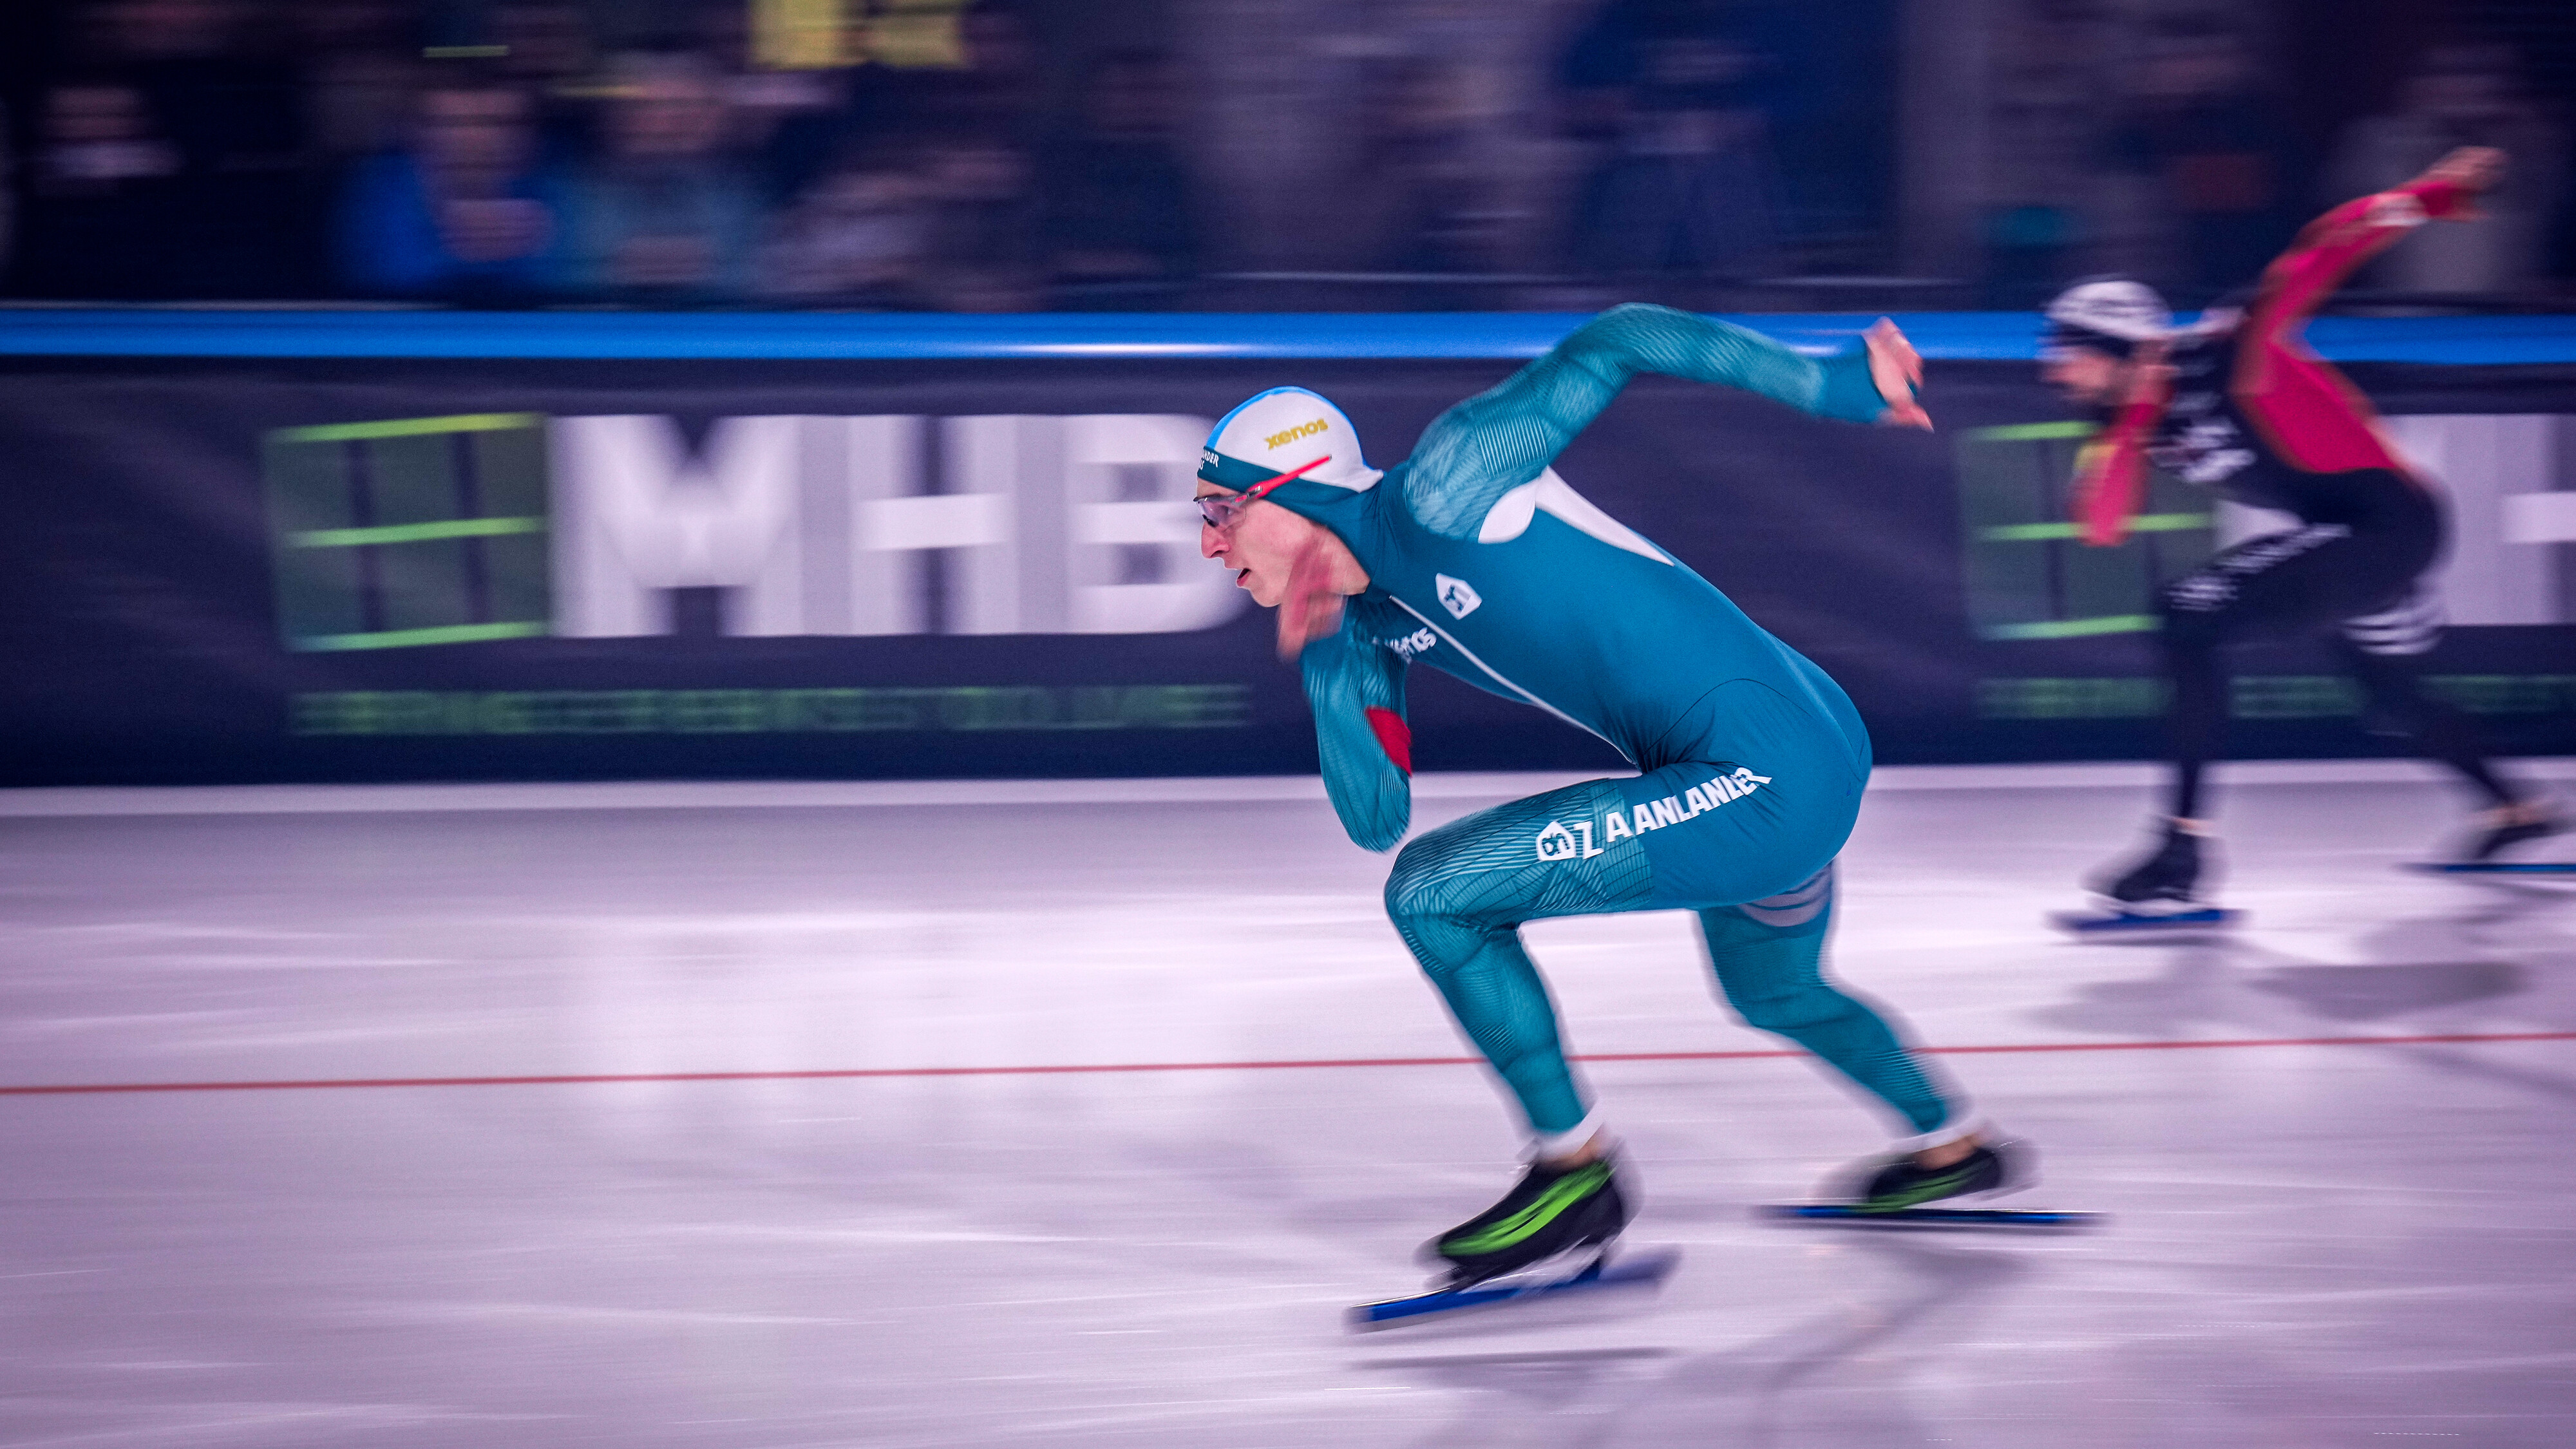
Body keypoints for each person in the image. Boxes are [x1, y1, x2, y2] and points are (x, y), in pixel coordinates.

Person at [1192, 303, 2014, 1288]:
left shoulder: (1447, 486)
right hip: (1794, 749)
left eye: (1218, 510)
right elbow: (1375, 817)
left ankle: (1571, 1168)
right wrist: (1326, 656)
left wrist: (1834, 385)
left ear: (1292, 493)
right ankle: (1953, 1143)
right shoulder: (1357, 623)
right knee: (1774, 987)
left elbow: (1620, 337)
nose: (1209, 545)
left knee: (1437, 892)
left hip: (1763, 771)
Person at [2042, 146, 2561, 917]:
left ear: (2127, 353)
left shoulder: (2230, 357)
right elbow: (2102, 525)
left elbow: (2311, 258)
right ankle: (2514, 809)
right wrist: (2132, 420)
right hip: (2345, 531)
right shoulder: (2127, 417)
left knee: (2189, 618)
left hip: (2388, 524)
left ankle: (2182, 848)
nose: (2056, 372)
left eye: (2072, 355)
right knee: (2388, 693)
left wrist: (2426, 196)